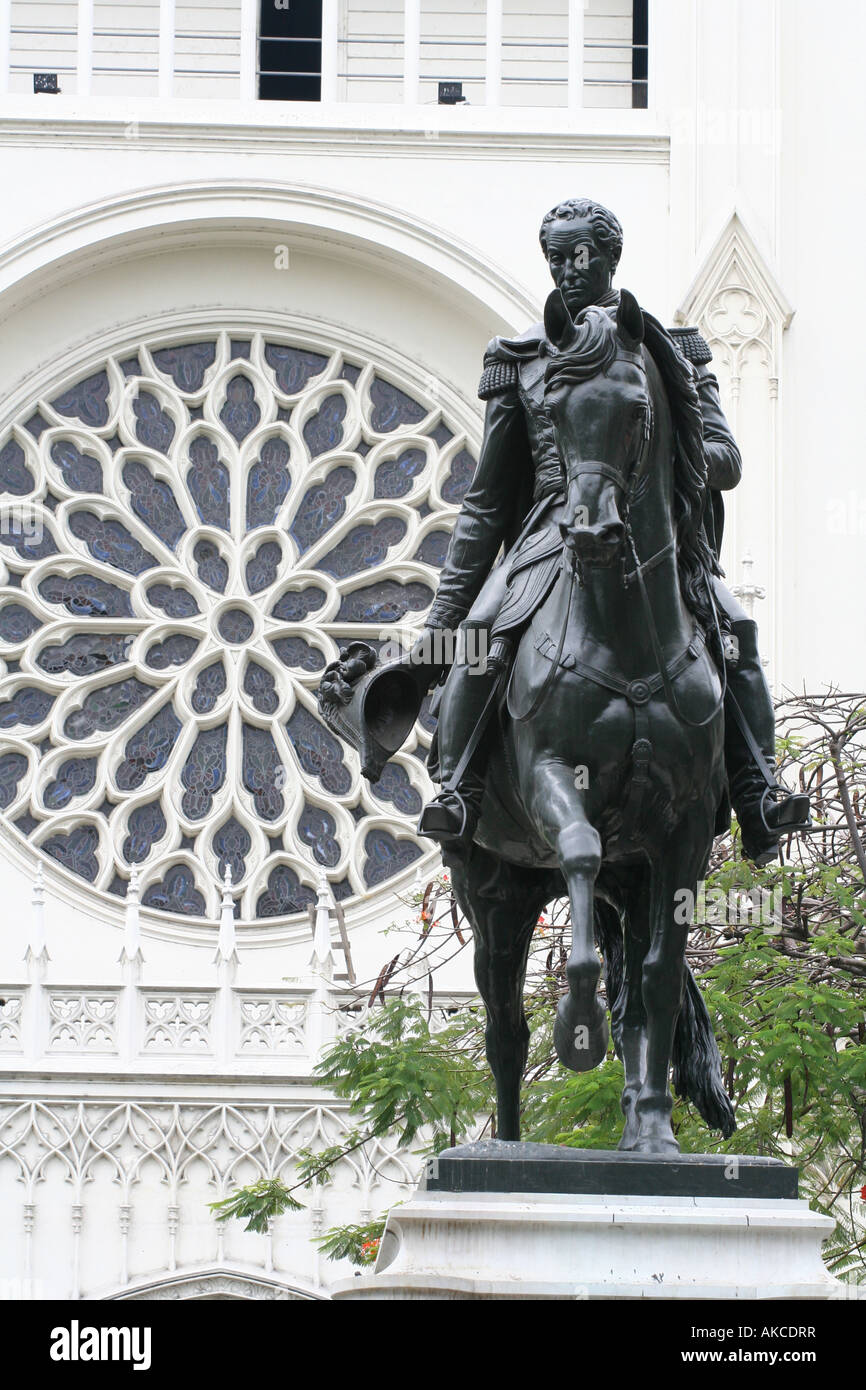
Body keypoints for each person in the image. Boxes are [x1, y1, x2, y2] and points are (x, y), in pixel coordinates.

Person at [414, 197, 809, 864]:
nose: (566, 269)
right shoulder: (521, 360)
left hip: (655, 542)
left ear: (609, 256)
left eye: (578, 255)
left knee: (736, 629)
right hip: (548, 543)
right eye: (554, 258)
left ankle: (759, 787)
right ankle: (456, 787)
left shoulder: (673, 351)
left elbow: (728, 461)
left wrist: (660, 458)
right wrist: (443, 619)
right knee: (484, 635)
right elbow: (485, 503)